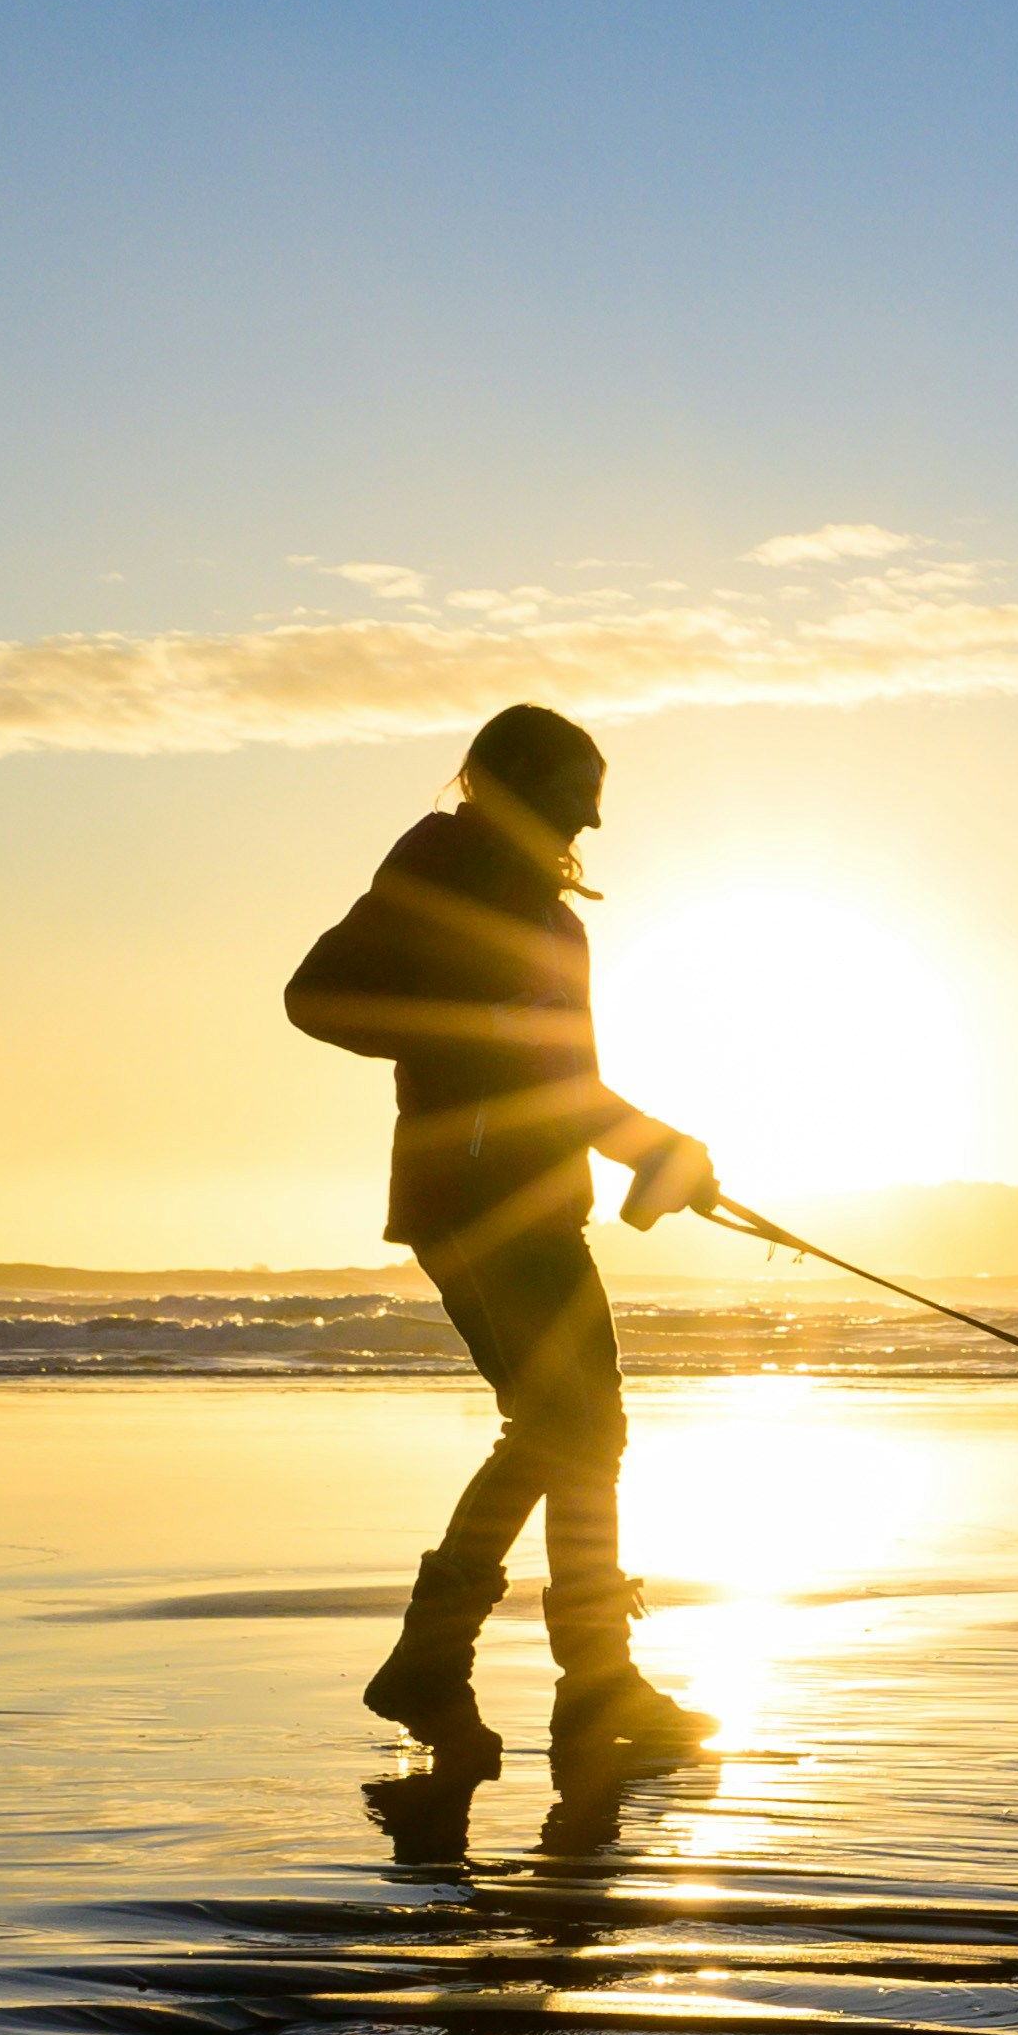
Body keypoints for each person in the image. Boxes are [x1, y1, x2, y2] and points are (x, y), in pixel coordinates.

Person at [284, 702, 724, 1777]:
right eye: (578, 796)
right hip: (466, 1200)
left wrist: (665, 1151)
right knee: (563, 1422)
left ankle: (589, 1681)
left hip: (542, 1204)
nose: (592, 822)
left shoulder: (559, 925)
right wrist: (468, 1027)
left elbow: (565, 1087)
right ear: (517, 785)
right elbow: (313, 997)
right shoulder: (439, 867)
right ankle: (446, 1660)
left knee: (588, 1427)